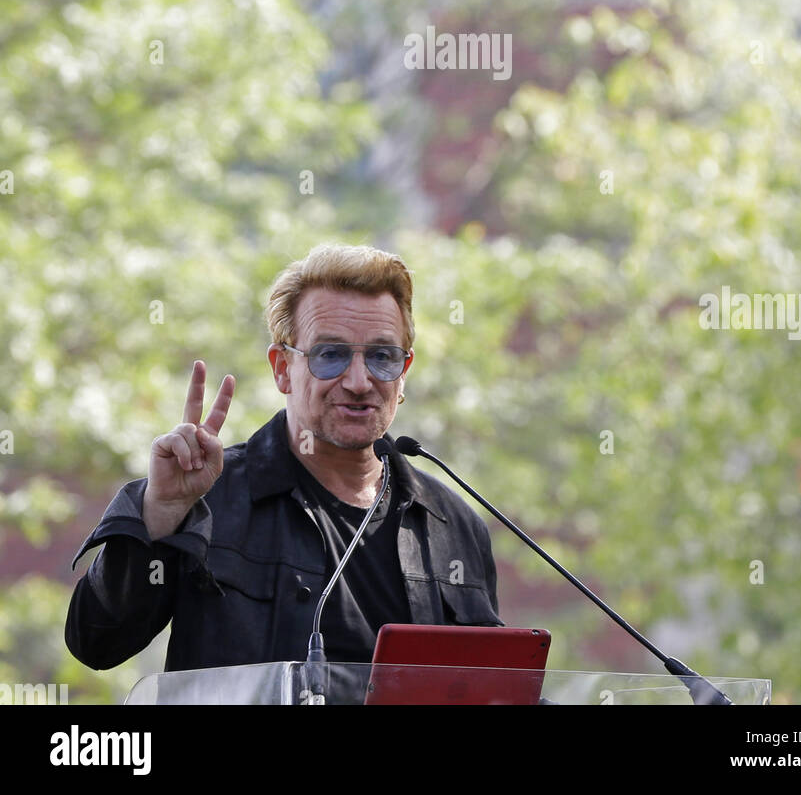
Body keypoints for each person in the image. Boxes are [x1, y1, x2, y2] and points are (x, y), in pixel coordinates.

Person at [65, 243, 502, 677]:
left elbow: (493, 686)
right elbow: (97, 642)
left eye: (382, 357)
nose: (358, 381)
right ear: (281, 369)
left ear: (403, 373)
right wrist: (160, 514)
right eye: (330, 355)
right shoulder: (204, 495)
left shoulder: (451, 523)